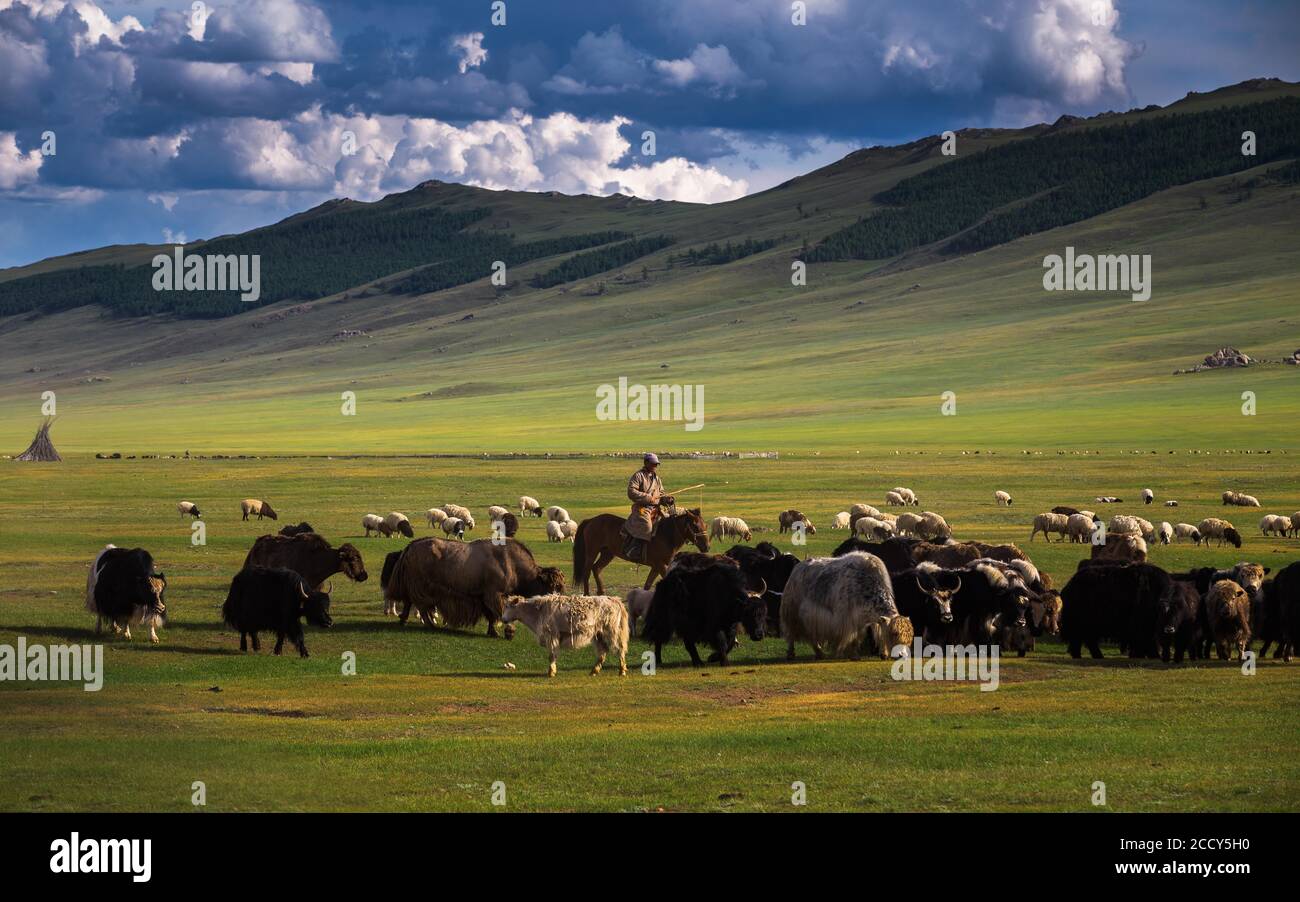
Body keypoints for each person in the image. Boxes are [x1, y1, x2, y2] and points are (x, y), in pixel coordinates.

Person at [622, 453, 674, 563]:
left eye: (656, 464)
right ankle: (634, 549)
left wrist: (667, 499)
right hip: (642, 508)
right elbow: (631, 492)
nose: (655, 466)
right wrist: (648, 497)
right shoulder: (638, 476)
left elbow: (661, 493)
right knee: (647, 526)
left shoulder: (657, 479)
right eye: (653, 464)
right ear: (646, 463)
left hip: (656, 508)